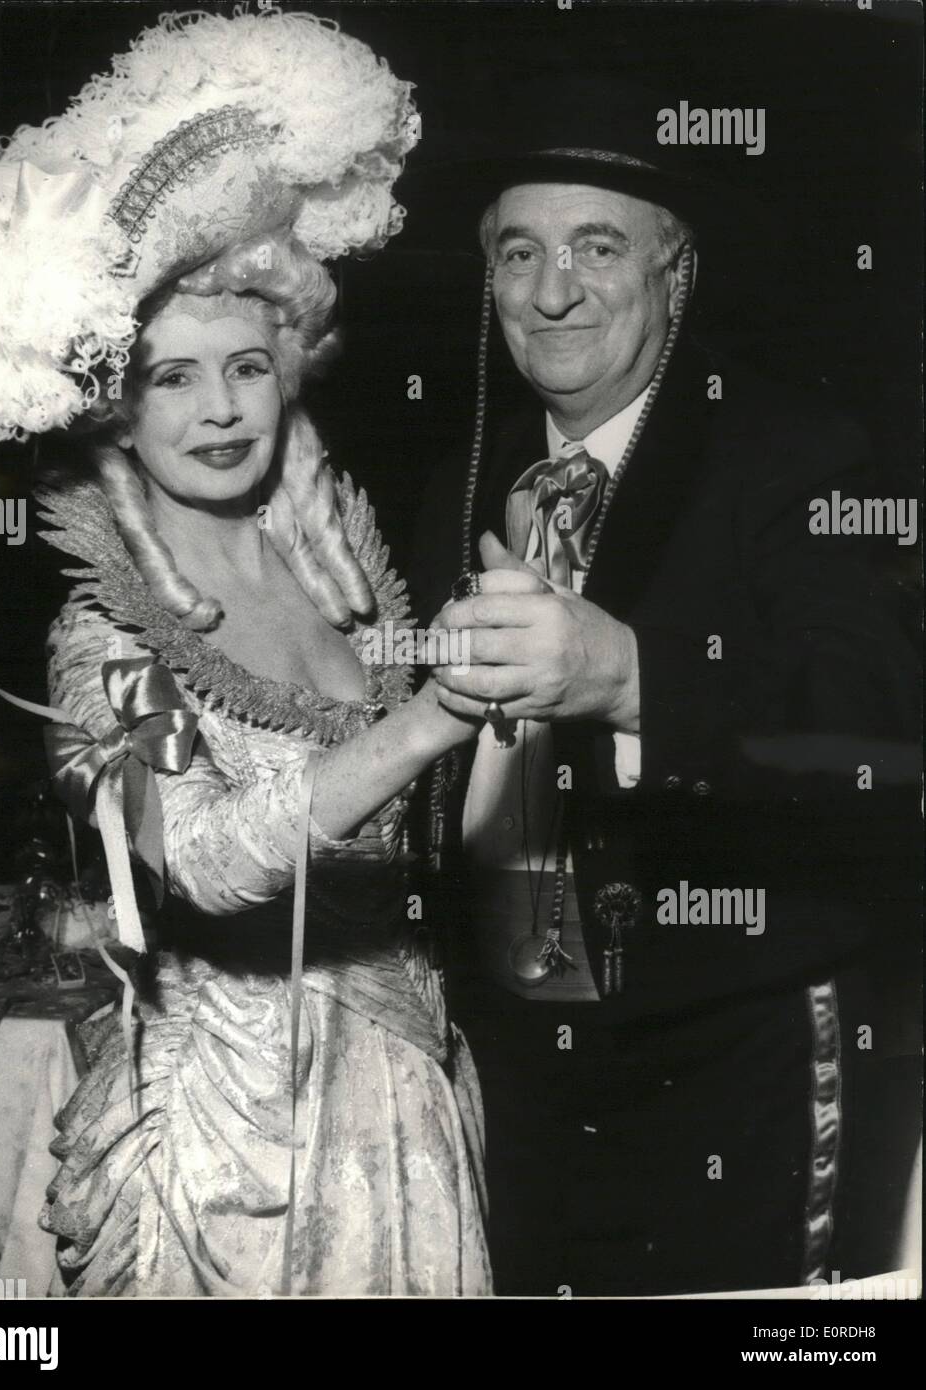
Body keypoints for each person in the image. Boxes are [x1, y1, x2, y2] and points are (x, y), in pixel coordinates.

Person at [0, 9, 489, 1297]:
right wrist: (429, 720)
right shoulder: (105, 637)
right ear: (115, 414)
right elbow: (197, 857)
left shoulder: (345, 580)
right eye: (172, 378)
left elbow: (429, 844)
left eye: (246, 364)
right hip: (227, 1156)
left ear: (291, 368)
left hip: (400, 1102)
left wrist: (502, 691)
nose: (221, 407)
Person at [407, 84, 920, 1296]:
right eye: (518, 252)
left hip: (725, 1040)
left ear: (672, 275)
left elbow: (875, 713)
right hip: (513, 1051)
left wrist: (630, 676)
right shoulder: (459, 484)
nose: (551, 292)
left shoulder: (792, 452)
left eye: (597, 248)